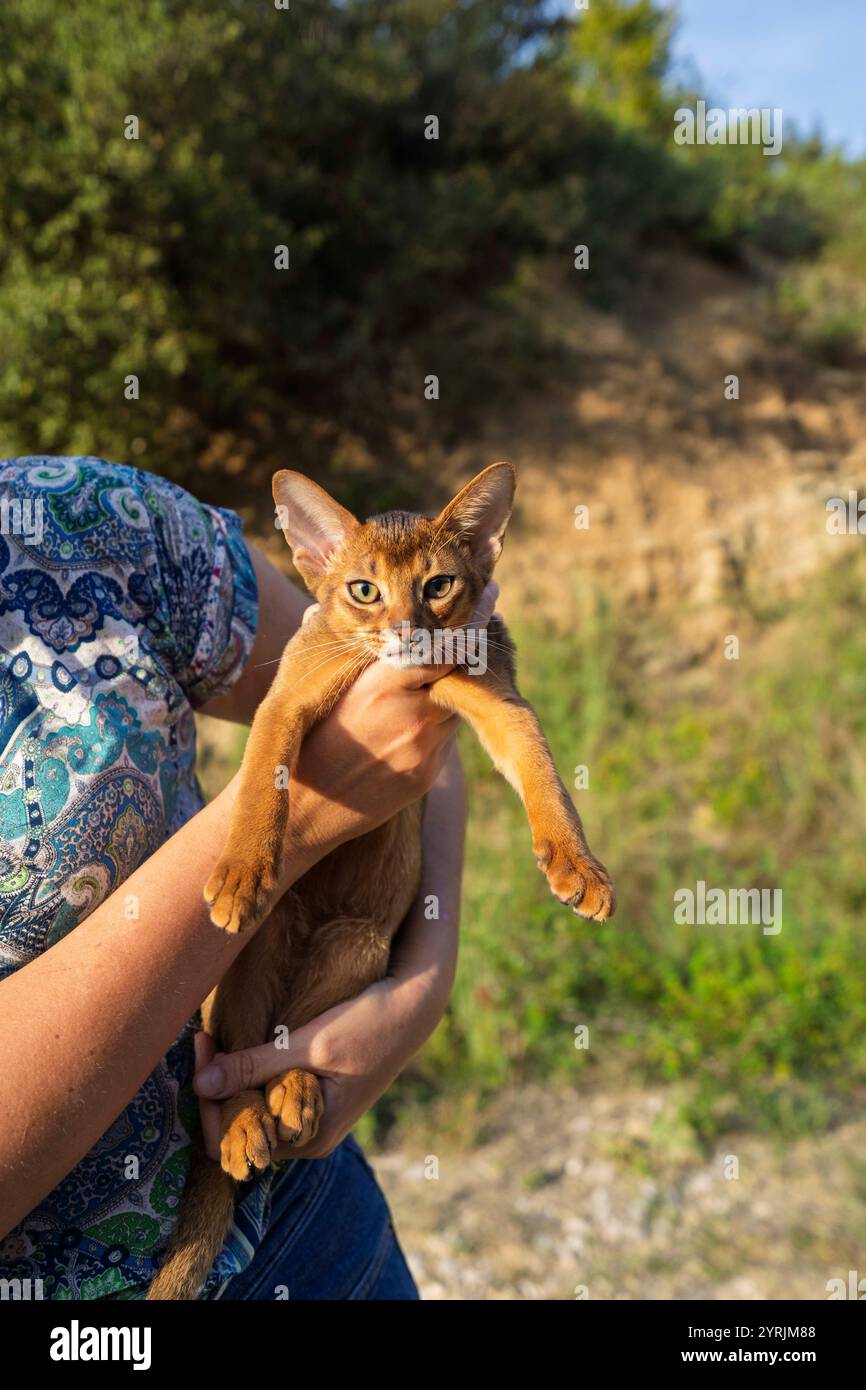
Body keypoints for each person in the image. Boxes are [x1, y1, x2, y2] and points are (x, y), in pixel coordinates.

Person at [0, 454, 490, 1300]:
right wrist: (288, 827)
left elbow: (407, 696)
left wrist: (422, 979)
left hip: (310, 1221)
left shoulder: (81, 519)